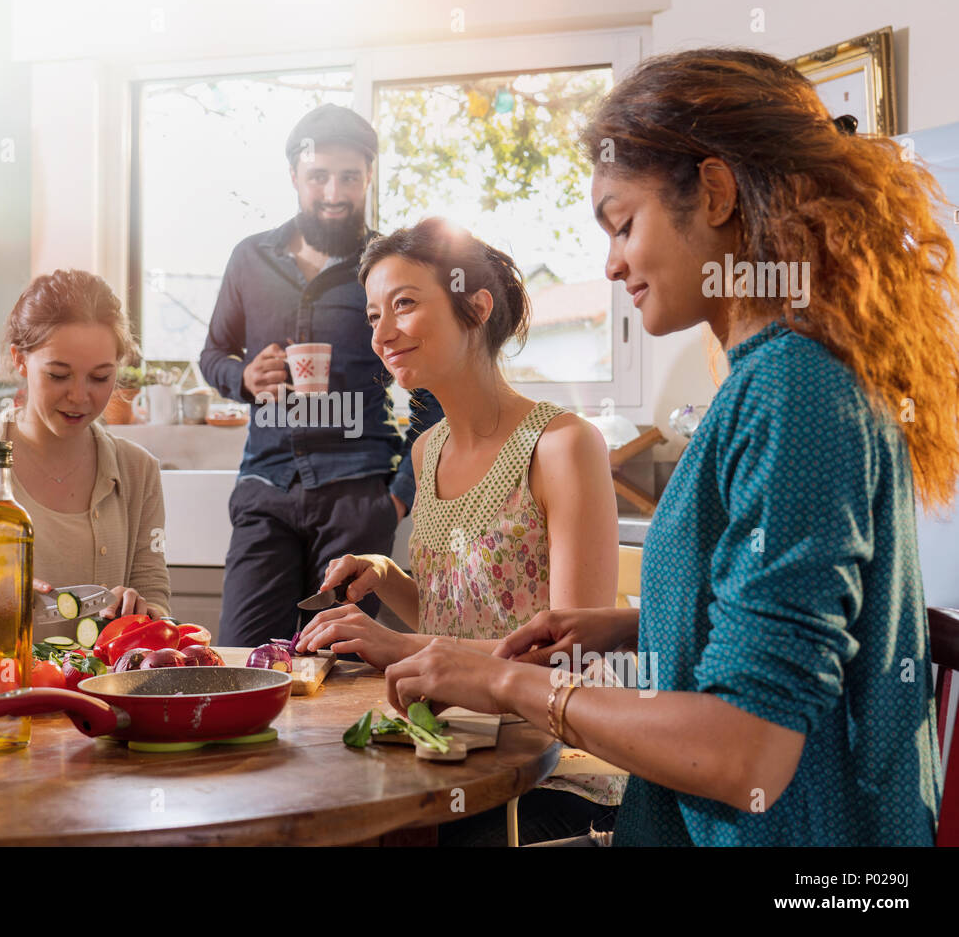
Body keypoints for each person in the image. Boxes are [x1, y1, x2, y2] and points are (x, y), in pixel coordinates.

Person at [382, 47, 958, 845]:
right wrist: (627, 626)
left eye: (623, 223)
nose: (612, 263)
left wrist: (507, 682)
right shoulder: (777, 374)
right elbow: (785, 612)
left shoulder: (794, 390)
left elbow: (743, 753)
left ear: (715, 192)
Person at [296, 217, 624, 843]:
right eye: (372, 316)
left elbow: (566, 655)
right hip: (457, 745)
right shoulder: (428, 450)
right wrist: (389, 578)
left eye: (404, 305)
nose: (383, 333)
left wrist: (398, 646)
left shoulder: (563, 445)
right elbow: (465, 619)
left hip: (555, 769)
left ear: (476, 308)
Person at [200, 103, 443, 647]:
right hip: (266, 486)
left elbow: (431, 392)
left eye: (349, 177)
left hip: (357, 495)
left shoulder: (389, 270)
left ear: (369, 178)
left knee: (338, 656)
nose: (334, 192)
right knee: (239, 656)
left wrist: (397, 497)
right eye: (318, 177)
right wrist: (243, 377)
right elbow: (212, 354)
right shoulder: (249, 259)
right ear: (294, 177)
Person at [0, 270, 170, 619]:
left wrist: (143, 611)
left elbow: (155, 596)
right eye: (58, 375)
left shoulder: (139, 471)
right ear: (20, 359)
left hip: (97, 677)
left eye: (100, 377)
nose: (80, 396)